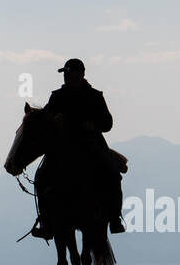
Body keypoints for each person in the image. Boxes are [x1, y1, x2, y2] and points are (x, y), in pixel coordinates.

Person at [30, 58, 125, 238]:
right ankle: (46, 221)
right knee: (42, 177)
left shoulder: (95, 96)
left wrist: (93, 125)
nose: (66, 76)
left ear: (80, 74)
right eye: (65, 73)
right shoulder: (56, 96)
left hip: (91, 144)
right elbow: (47, 120)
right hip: (62, 146)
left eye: (69, 73)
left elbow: (108, 123)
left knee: (113, 175)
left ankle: (114, 218)